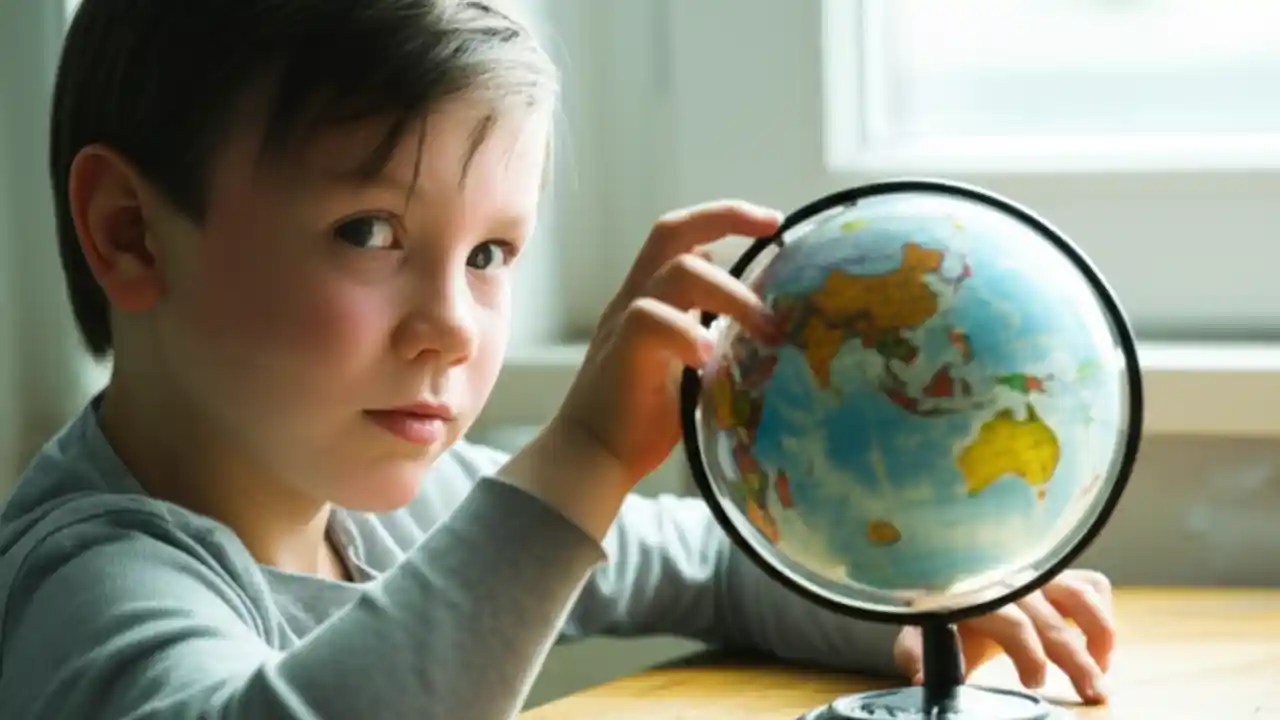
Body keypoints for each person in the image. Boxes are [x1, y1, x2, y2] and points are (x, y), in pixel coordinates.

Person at [0, 1, 1115, 717]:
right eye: (368, 232)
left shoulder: (398, 506)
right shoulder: (92, 581)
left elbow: (714, 563)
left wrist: (913, 602)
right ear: (131, 235)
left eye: (489, 252)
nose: (452, 325)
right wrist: (579, 455)